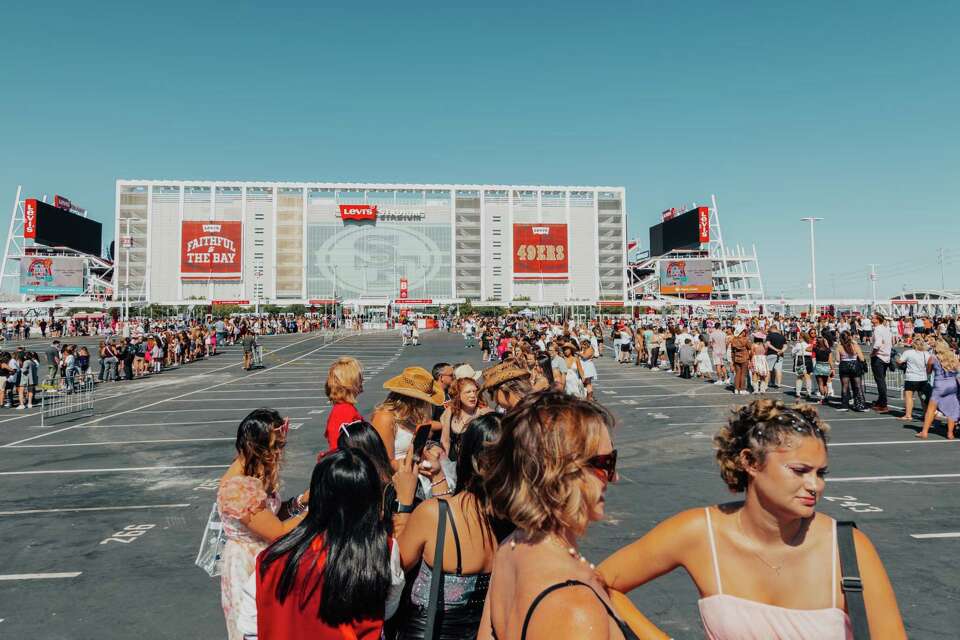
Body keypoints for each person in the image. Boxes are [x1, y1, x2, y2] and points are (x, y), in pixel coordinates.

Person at [599, 399, 906, 639]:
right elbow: (599, 584)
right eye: (800, 470)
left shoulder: (847, 548)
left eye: (820, 472)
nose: (815, 485)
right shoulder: (698, 532)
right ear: (749, 462)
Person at [477, 392, 643, 640]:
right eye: (605, 463)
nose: (614, 476)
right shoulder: (576, 608)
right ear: (562, 471)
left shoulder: (511, 547)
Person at [237, 448, 406, 640]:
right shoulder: (384, 549)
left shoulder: (273, 557)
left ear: (317, 495)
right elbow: (387, 611)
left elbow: (251, 628)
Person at [395, 415, 506, 639]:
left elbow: (395, 568)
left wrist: (404, 503)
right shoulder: (513, 523)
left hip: (429, 631)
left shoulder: (431, 513)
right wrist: (438, 478)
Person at [217, 409, 308, 640]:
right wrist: (315, 512)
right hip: (246, 564)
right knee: (255, 629)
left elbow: (272, 514)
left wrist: (303, 501)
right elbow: (277, 532)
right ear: (256, 448)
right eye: (274, 447)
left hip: (264, 556)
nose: (278, 453)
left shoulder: (254, 473)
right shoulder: (238, 487)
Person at [372, 367, 444, 463]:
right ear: (413, 400)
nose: (426, 405)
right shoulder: (385, 417)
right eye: (424, 401)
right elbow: (385, 463)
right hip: (400, 476)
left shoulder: (412, 416)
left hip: (414, 472)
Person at [439, 377, 490, 462]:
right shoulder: (450, 411)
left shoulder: (484, 413)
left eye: (475, 391)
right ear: (458, 395)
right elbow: (445, 441)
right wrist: (444, 464)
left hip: (476, 464)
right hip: (454, 463)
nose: (473, 395)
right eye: (468, 392)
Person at [917, 340, 959, 440]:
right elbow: (958, 372)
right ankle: (950, 433)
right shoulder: (953, 357)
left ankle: (924, 432)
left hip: (939, 386)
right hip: (952, 385)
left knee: (931, 409)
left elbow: (928, 371)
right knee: (952, 410)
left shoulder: (933, 358)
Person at [323, 356, 364, 450]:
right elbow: (339, 447)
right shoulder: (344, 412)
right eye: (359, 378)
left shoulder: (344, 408)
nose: (362, 381)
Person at [896, 337, 932, 422]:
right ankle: (925, 414)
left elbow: (900, 361)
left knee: (909, 396)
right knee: (923, 397)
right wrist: (928, 371)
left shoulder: (908, 352)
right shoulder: (926, 353)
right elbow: (930, 363)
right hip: (923, 378)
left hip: (911, 378)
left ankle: (908, 415)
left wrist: (896, 359)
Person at [836, 331, 868, 412]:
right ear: (849, 337)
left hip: (844, 365)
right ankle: (860, 405)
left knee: (845, 386)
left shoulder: (839, 346)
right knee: (858, 386)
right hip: (854, 365)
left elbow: (837, 359)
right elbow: (861, 358)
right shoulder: (855, 345)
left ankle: (844, 405)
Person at [869, 313, 893, 413]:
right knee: (881, 380)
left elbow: (877, 344)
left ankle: (883, 403)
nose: (871, 318)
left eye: (873, 317)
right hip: (886, 357)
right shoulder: (885, 328)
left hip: (879, 357)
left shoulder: (878, 329)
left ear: (877, 320)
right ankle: (881, 401)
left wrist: (873, 353)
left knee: (880, 381)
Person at [729, 329, 751, 395]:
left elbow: (732, 352)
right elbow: (750, 347)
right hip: (744, 358)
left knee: (737, 373)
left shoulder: (733, 340)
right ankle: (742, 389)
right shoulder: (745, 339)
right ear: (742, 332)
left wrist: (732, 360)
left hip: (736, 358)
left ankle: (736, 389)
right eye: (744, 331)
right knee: (743, 374)